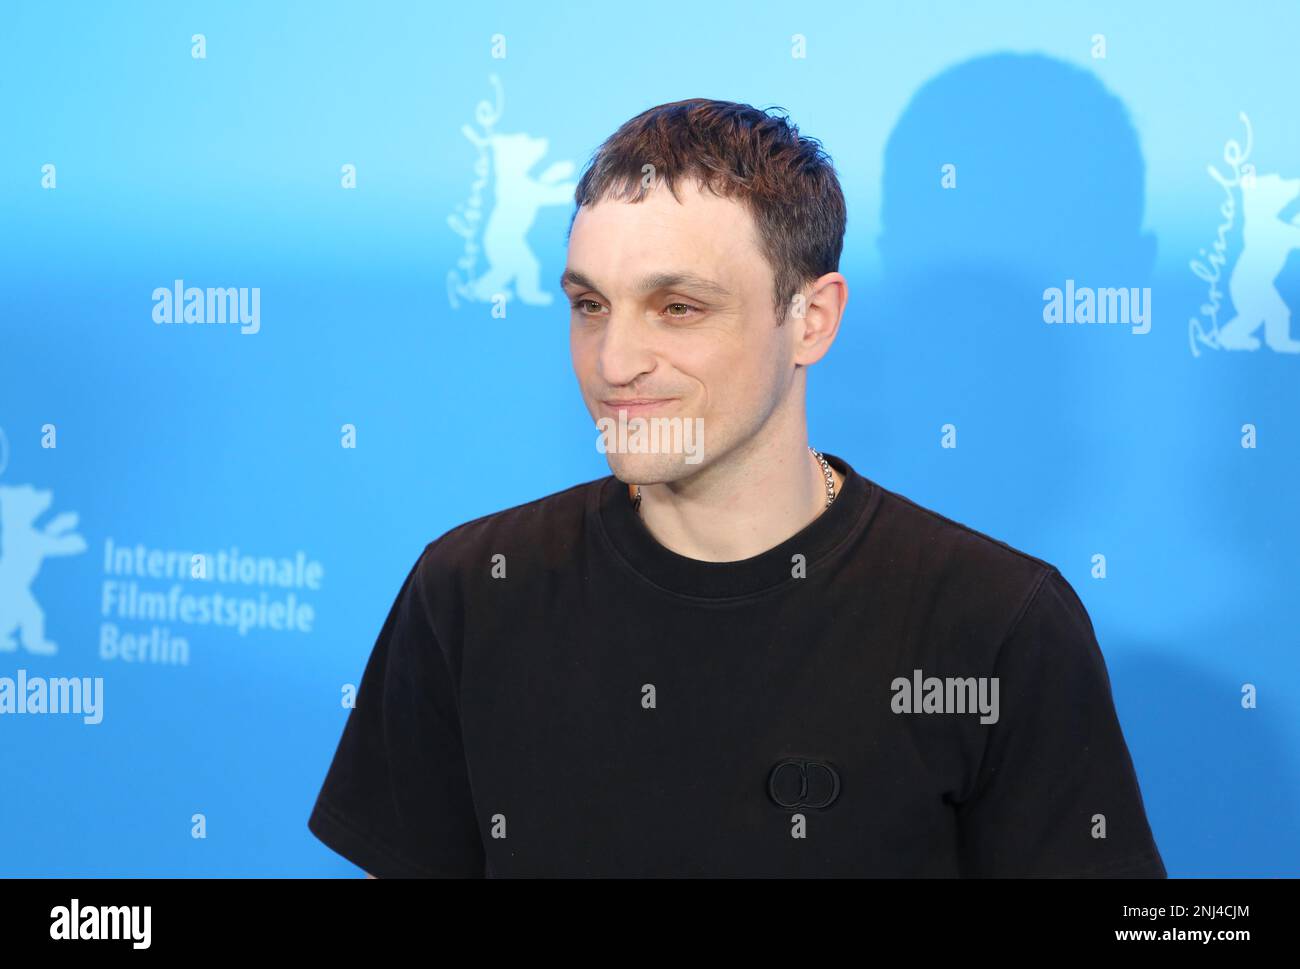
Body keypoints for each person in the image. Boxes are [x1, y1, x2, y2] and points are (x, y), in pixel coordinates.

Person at [307, 98, 1166, 877]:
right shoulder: (469, 588)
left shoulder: (995, 623)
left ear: (812, 319)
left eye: (678, 307)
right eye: (590, 305)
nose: (614, 364)